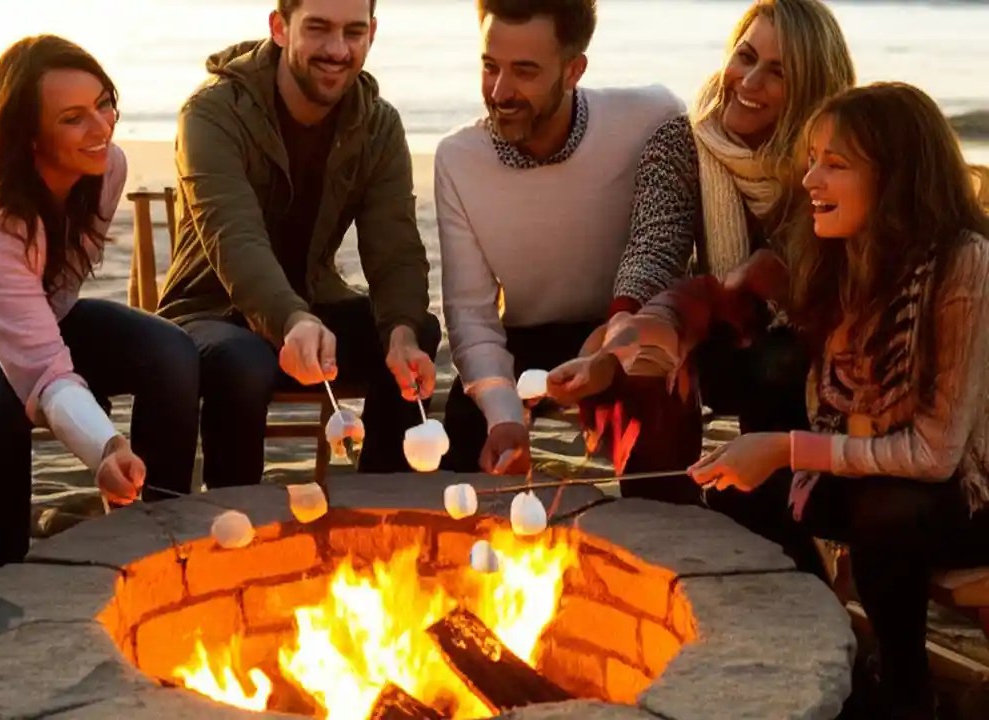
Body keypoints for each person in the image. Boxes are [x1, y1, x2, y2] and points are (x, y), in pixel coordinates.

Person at [686, 83, 989, 720]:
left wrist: (786, 448)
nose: (810, 179)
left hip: (972, 494)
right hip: (892, 476)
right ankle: (831, 643)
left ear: (897, 178)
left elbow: (936, 455)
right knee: (736, 495)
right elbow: (834, 401)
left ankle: (906, 688)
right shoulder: (846, 259)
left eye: (836, 164)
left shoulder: (965, 265)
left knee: (887, 508)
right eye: (812, 158)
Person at [0, 35, 201, 574]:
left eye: (104, 104)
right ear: (27, 134)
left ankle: (155, 535)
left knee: (170, 351)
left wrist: (73, 397)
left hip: (35, 316)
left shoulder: (106, 170)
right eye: (73, 118)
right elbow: (42, 371)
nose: (101, 129)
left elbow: (57, 299)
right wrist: (104, 445)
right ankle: (3, 573)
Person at [549, 0, 854, 531]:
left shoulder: (832, 161)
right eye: (746, 56)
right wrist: (623, 325)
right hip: (716, 330)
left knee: (777, 360)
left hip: (815, 345)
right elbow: (654, 245)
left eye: (778, 72)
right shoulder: (682, 141)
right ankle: (662, 516)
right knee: (646, 352)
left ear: (811, 87)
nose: (749, 81)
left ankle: (781, 518)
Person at [158, 0, 440, 488]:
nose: (337, 49)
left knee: (415, 333)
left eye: (354, 32)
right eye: (318, 28)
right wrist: (292, 319)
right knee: (245, 360)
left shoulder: (378, 125)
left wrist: (401, 332)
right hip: (211, 312)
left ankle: (378, 506)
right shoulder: (211, 112)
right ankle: (236, 514)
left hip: (313, 306)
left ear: (372, 33)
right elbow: (234, 237)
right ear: (279, 27)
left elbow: (394, 248)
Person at [435, 0, 683, 475]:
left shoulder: (651, 117)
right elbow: (471, 314)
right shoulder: (458, 159)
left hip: (626, 325)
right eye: (490, 67)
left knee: (661, 429)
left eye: (525, 71)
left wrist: (617, 347)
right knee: (467, 432)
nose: (500, 91)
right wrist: (504, 418)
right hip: (528, 337)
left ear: (573, 71)